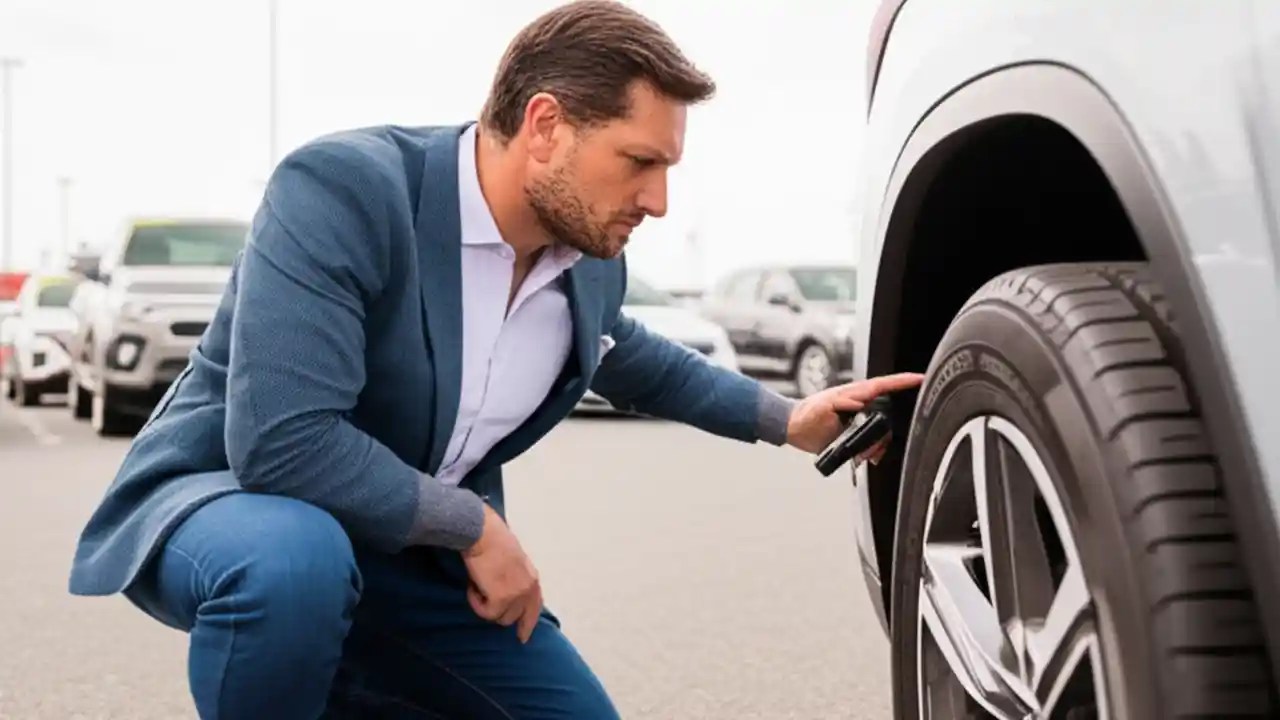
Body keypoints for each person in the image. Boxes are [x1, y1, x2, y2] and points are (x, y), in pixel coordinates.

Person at [67, 1, 924, 717]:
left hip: (406, 556)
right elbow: (284, 444)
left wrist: (789, 419)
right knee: (296, 564)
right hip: (236, 506)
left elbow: (629, 357)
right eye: (639, 162)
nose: (658, 201)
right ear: (545, 124)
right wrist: (474, 526)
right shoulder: (344, 190)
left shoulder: (587, 259)